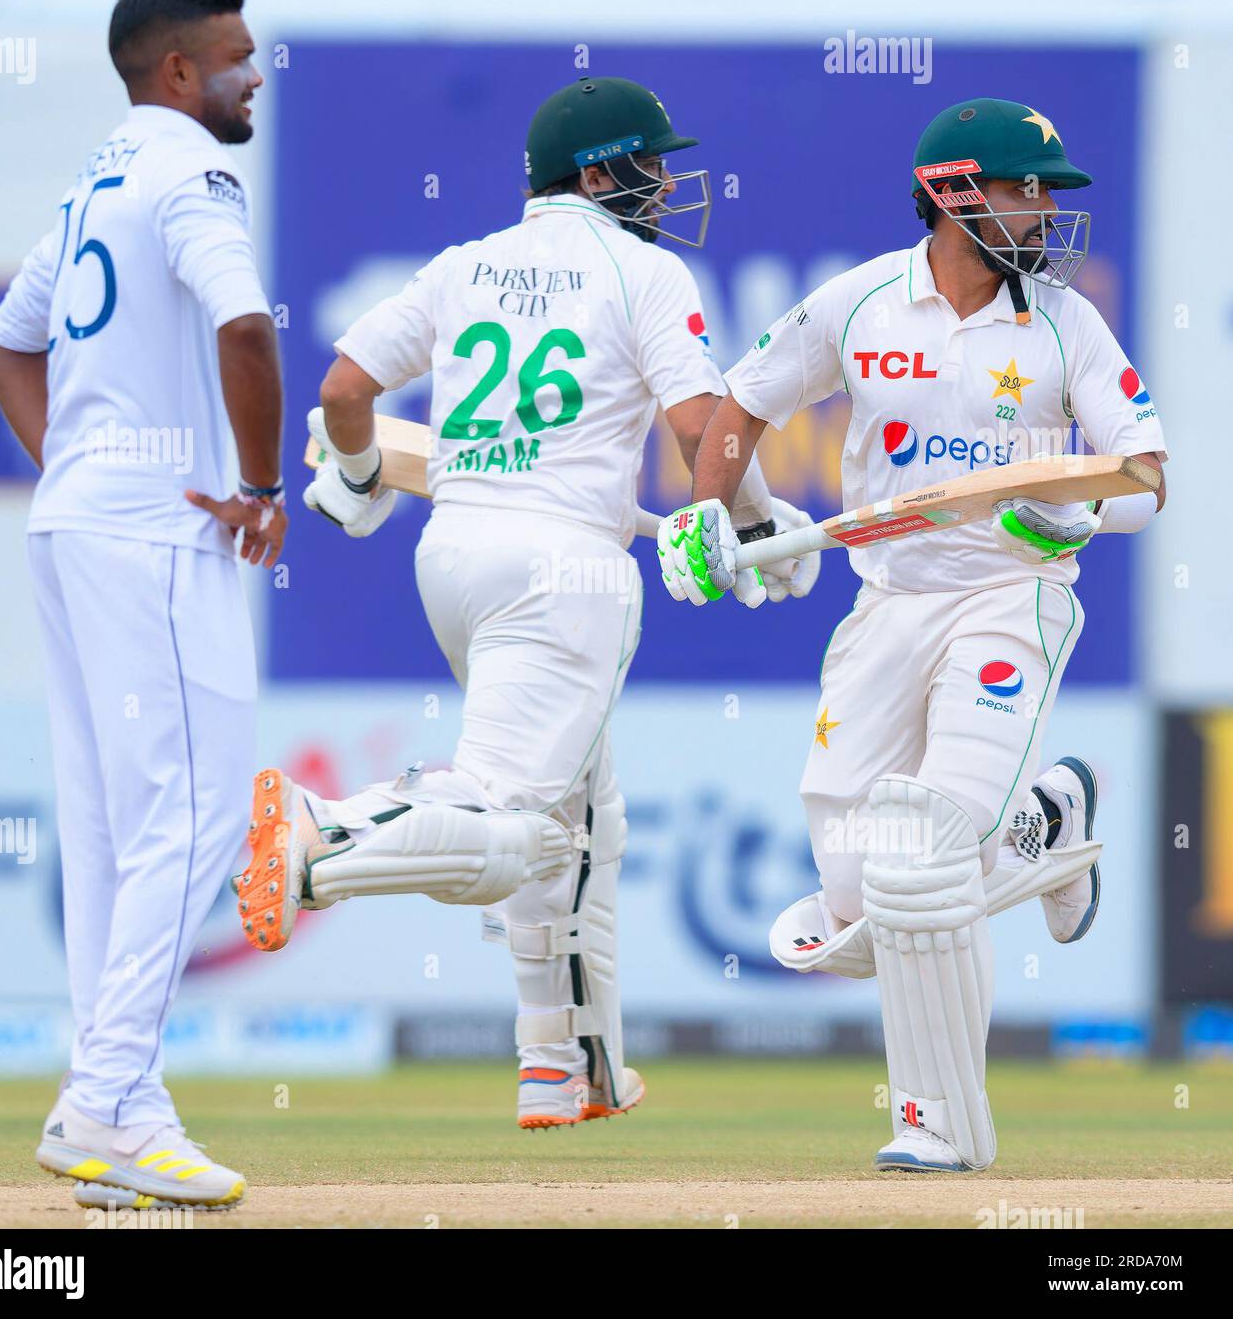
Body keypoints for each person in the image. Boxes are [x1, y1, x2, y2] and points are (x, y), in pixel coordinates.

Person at [238, 76, 815, 1130]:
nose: (666, 186)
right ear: (598, 173)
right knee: (511, 821)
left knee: (583, 818)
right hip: (566, 570)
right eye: (650, 166)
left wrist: (361, 478)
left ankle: (564, 1060)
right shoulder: (642, 269)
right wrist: (758, 519)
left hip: (453, 555)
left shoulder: (465, 266)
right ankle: (324, 841)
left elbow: (343, 392)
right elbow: (702, 431)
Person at [656, 97, 1167, 1172]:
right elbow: (739, 407)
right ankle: (1045, 819)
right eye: (1025, 190)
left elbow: (1144, 474)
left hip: (1009, 595)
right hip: (883, 602)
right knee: (859, 895)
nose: (1042, 213)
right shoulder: (858, 303)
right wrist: (716, 514)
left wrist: (1081, 510)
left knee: (929, 848)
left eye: (1045, 194)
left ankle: (932, 1120)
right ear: (952, 193)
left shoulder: (1066, 324)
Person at [0, 0, 285, 1211]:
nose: (253, 74)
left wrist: (78, 463)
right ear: (176, 73)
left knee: (113, 828)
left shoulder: (98, 176)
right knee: (198, 811)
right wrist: (260, 485)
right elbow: (248, 324)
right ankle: (102, 1099)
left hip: (80, 526)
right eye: (234, 57)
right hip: (158, 534)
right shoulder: (195, 175)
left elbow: (6, 337)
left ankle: (123, 1103)